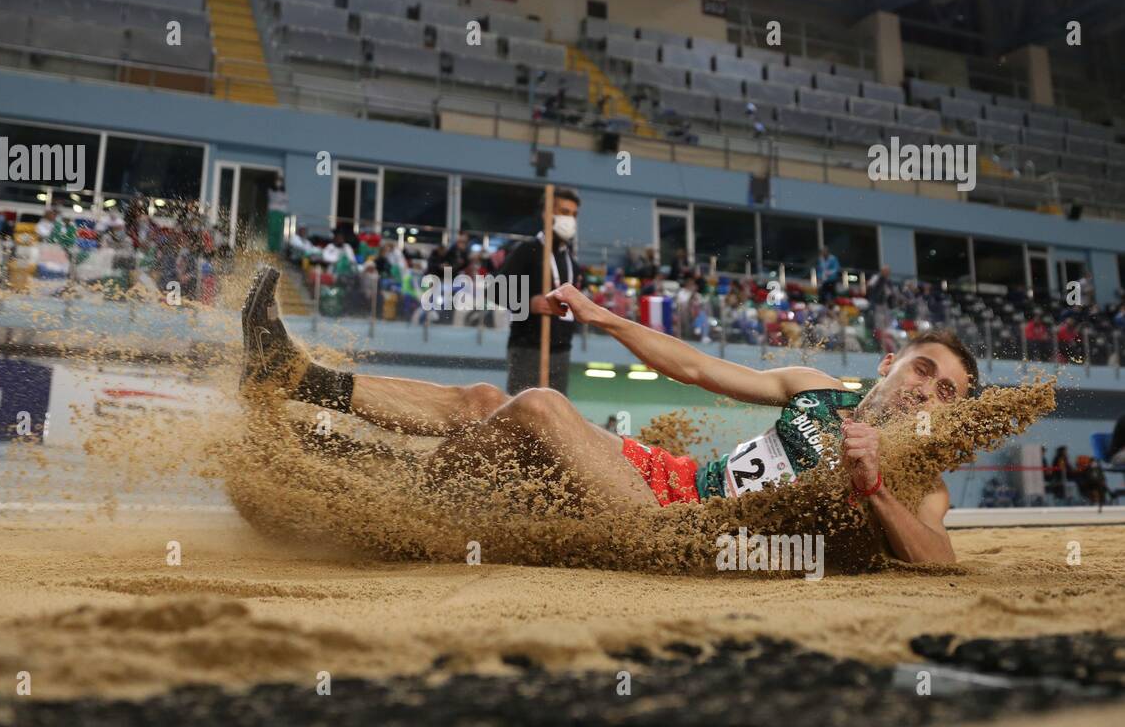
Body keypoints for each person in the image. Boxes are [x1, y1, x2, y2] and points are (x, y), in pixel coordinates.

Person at [239, 264, 979, 564]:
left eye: (948, 392)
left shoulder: (923, 477)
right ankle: (296, 375)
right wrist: (601, 315)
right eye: (924, 368)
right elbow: (692, 366)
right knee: (487, 404)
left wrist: (874, 485)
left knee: (540, 409)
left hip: (686, 535)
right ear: (890, 362)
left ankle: (391, 505)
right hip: (670, 482)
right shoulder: (818, 386)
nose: (927, 391)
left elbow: (939, 562)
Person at [495, 188, 582, 395]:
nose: (570, 219)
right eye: (564, 212)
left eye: (574, 214)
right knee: (523, 415)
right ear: (547, 213)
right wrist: (529, 303)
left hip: (562, 351)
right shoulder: (527, 251)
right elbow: (497, 290)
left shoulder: (573, 263)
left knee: (554, 418)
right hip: (528, 348)